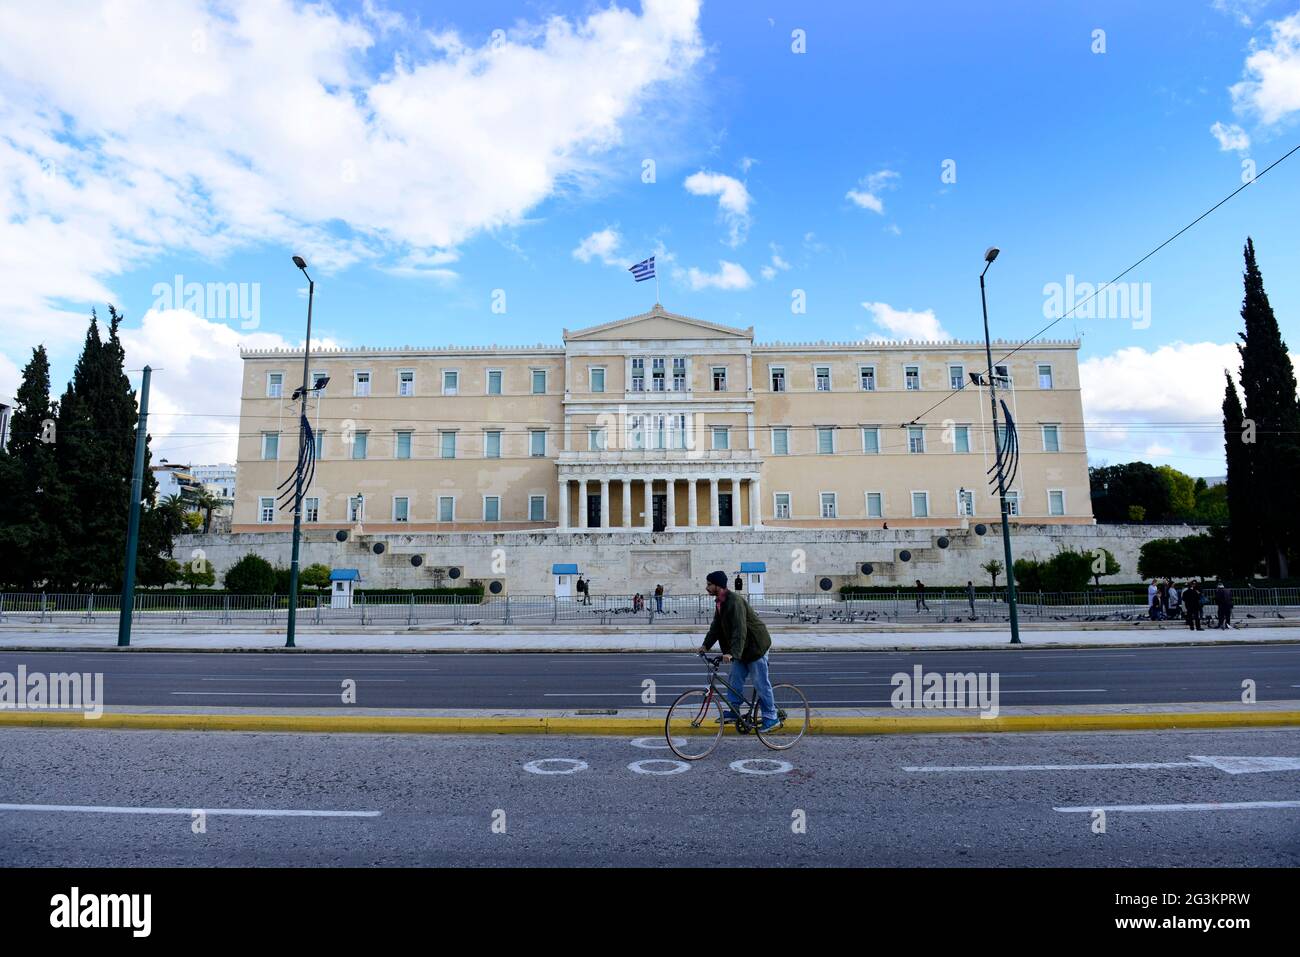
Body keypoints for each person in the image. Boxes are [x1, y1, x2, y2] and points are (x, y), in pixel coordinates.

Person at [698, 570, 779, 732]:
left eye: (709, 584)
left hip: (756, 646)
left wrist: (732, 653)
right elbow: (716, 627)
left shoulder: (734, 602)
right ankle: (734, 710)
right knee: (735, 678)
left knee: (760, 683)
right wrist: (705, 645)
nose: (706, 588)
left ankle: (771, 716)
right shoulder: (721, 602)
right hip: (742, 649)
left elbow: (739, 630)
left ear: (718, 585)